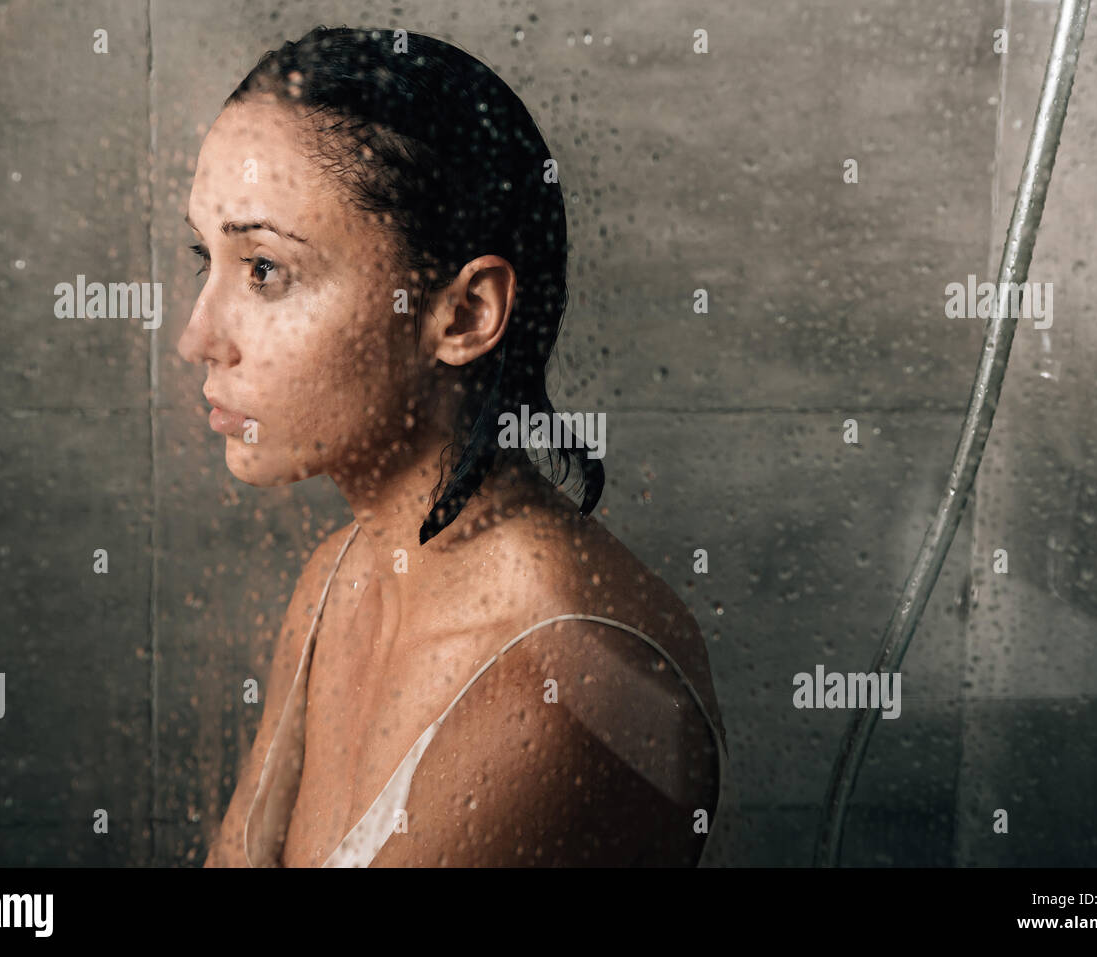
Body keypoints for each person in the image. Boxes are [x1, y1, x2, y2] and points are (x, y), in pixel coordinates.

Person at [178, 25, 727, 867]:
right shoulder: (337, 577)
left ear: (465, 315)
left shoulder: (557, 677)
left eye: (264, 271)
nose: (198, 337)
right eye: (202, 259)